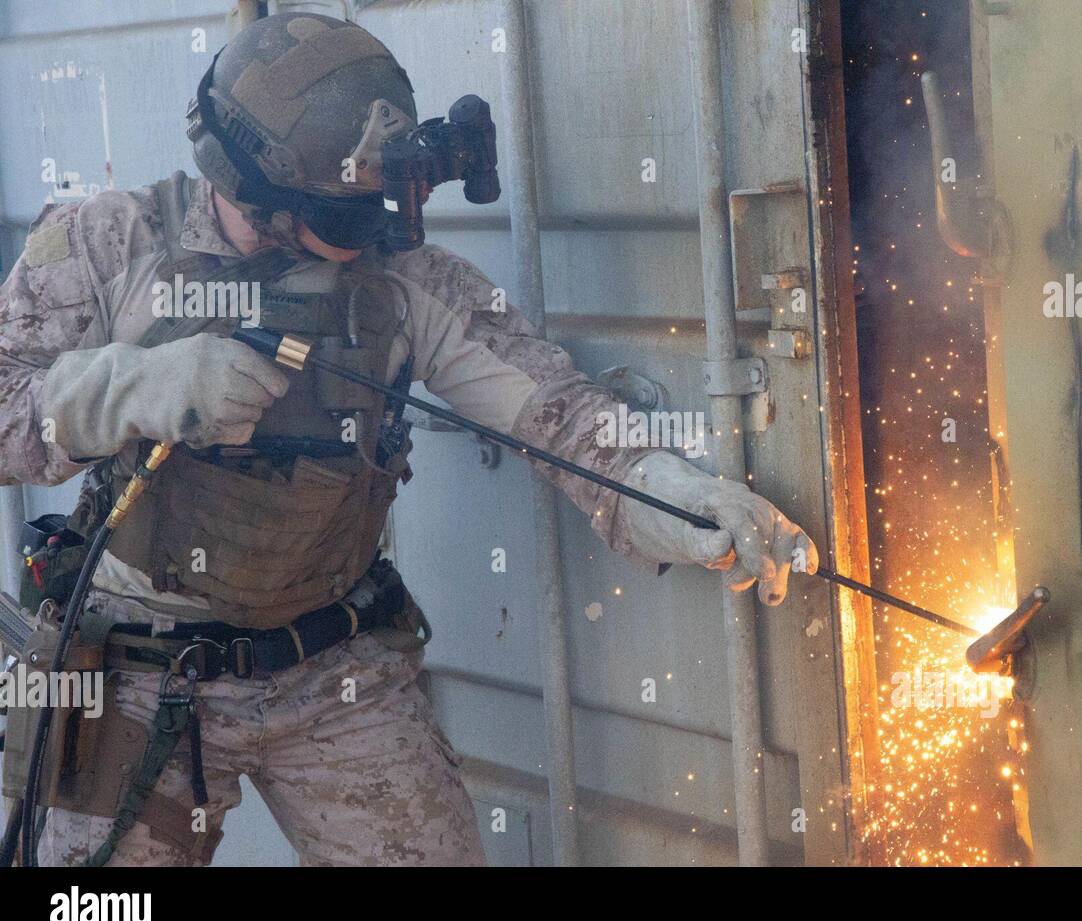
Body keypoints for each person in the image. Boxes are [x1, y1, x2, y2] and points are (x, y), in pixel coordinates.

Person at [0, 12, 816, 866]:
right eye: (348, 215)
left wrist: (669, 492)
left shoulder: (402, 278)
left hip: (332, 669)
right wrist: (135, 385)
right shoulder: (106, 244)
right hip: (137, 668)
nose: (377, 231)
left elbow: (558, 412)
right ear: (260, 196)